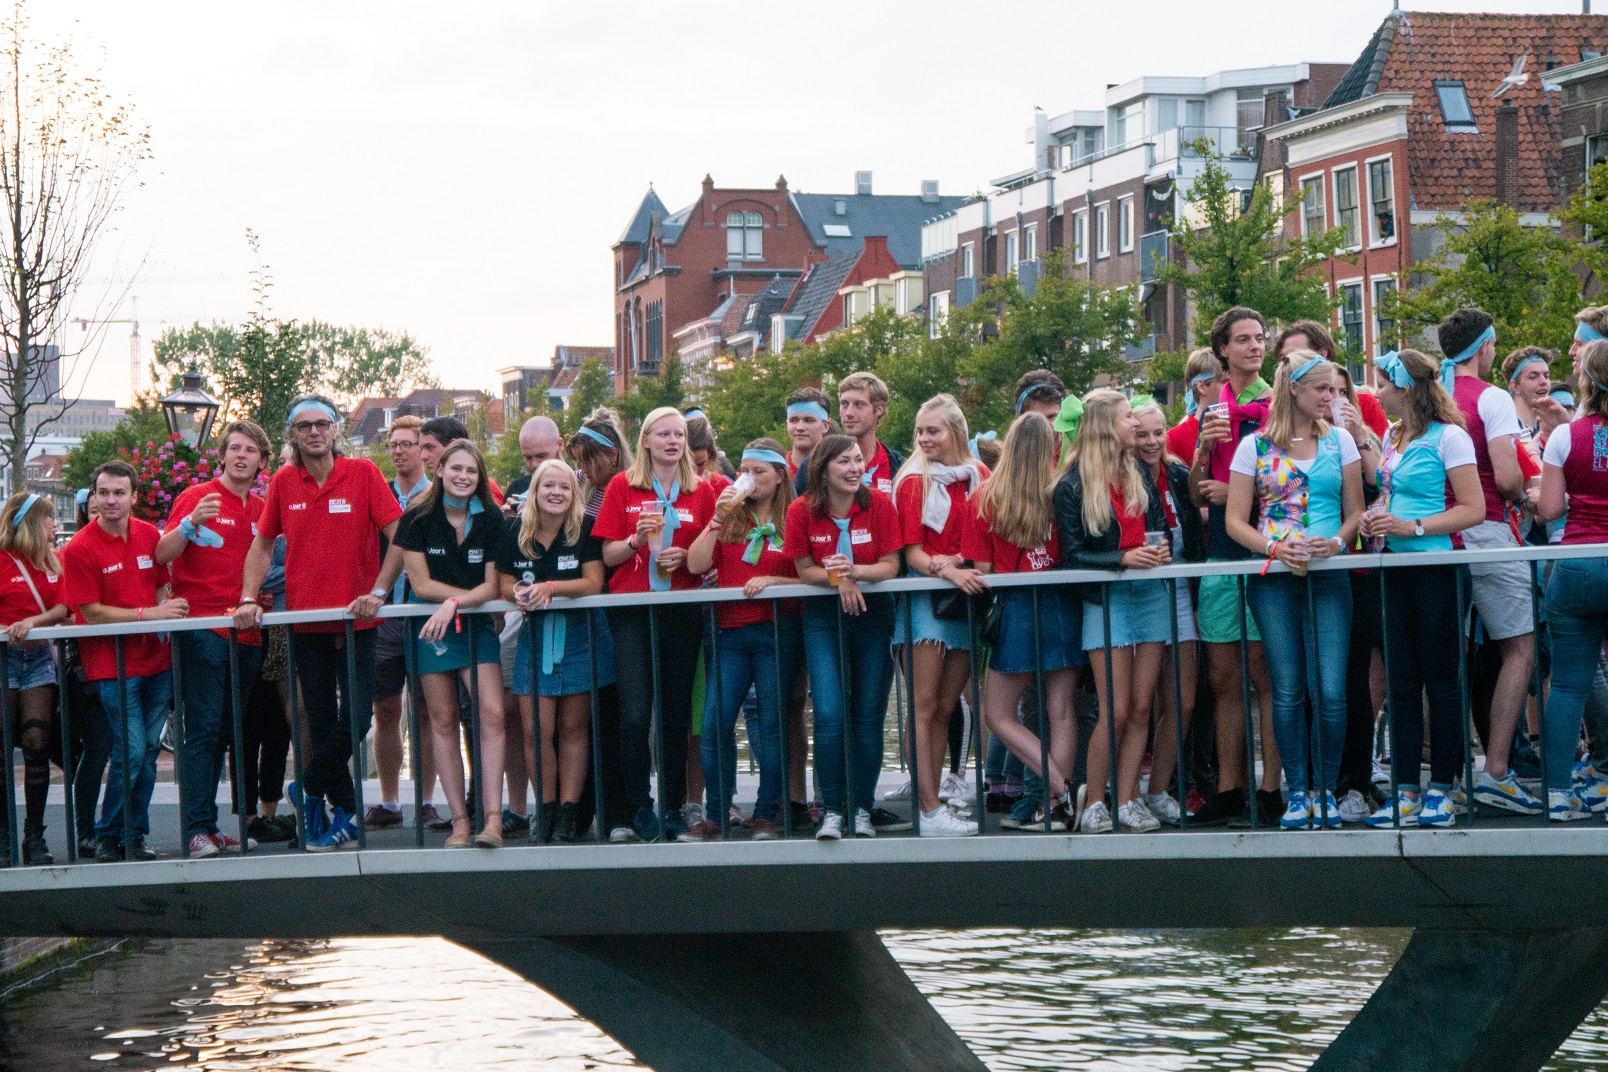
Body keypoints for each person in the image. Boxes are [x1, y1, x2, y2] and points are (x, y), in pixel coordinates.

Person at [235, 394, 404, 852]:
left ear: (335, 429)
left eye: (322, 423)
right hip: (306, 622)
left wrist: (379, 592)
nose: (314, 431)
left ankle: (307, 788)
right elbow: (262, 545)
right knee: (323, 722)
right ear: (292, 434)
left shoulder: (363, 473)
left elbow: (400, 536)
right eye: (304, 425)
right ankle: (346, 813)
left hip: (356, 621)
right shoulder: (284, 481)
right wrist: (248, 597)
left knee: (358, 718)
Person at [1225, 353, 1365, 830]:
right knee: (1286, 689)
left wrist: (1339, 542)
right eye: (1322, 389)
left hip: (1329, 573)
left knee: (1331, 690)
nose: (1331, 398)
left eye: (1334, 390)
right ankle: (1299, 792)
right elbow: (1235, 521)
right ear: (1295, 390)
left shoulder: (1341, 440)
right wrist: (1273, 548)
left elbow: (1355, 510)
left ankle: (1325, 790)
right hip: (1274, 578)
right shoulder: (1254, 445)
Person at [1359, 349, 1485, 827]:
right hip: (1394, 568)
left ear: (1406, 388)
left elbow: (1473, 508)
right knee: (1403, 682)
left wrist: (1411, 526)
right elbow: (1389, 493)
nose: (1376, 393)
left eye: (1382, 385)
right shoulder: (1393, 435)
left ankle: (1444, 788)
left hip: (1437, 569)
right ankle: (1407, 789)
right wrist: (1376, 516)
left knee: (1442, 681)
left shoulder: (1450, 436)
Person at [593, 406, 720, 842]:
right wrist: (634, 540)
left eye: (679, 435)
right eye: (663, 434)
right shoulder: (622, 486)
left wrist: (687, 557)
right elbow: (607, 555)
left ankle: (670, 807)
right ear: (645, 440)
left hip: (681, 609)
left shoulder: (701, 490)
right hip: (632, 610)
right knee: (634, 715)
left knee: (674, 715)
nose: (672, 441)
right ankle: (638, 807)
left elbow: (710, 556)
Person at [1435, 310, 1541, 815]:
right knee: (1520, 647)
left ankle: (1446, 778)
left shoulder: (1430, 392)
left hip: (1437, 537)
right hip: (1486, 530)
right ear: (1486, 346)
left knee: (1444, 659)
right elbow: (1505, 476)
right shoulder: (1492, 397)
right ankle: (1496, 770)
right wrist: (1525, 495)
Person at [1056, 390, 1172, 834]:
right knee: (1116, 710)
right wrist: (1122, 558)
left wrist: (1160, 551)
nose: (1136, 424)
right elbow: (1071, 556)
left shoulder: (1138, 471)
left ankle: (1127, 799)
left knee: (1142, 708)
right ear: (1106, 425)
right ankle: (1094, 801)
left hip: (1150, 592)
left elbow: (1159, 528)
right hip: (1107, 599)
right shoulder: (1071, 485)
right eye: (1128, 417)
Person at [154, 419, 272, 858]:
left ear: (261, 462)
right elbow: (160, 555)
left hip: (247, 633)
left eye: (250, 450)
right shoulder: (196, 497)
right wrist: (189, 524)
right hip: (202, 629)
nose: (241, 456)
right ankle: (195, 831)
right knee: (202, 731)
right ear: (221, 455)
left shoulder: (262, 507)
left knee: (224, 732)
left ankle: (210, 826)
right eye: (235, 448)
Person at [61, 460, 184, 862]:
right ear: (94, 498)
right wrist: (149, 614)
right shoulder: (79, 547)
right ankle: (109, 834)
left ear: (133, 497)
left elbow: (162, 584)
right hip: (112, 666)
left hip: (157, 661)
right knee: (131, 751)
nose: (111, 500)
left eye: (119, 492)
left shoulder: (149, 534)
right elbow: (90, 612)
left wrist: (166, 608)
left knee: (146, 753)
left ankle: (131, 833)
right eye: (104, 492)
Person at [964, 412, 1082, 830]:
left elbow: (982, 567)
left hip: (1016, 607)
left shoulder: (986, 498)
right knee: (1061, 711)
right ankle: (1056, 803)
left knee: (998, 714)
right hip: (1062, 603)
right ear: (1052, 447)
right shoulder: (1063, 491)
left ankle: (1059, 793)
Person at [1187, 307, 1282, 826]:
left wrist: (1236, 492)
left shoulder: (1279, 402)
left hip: (1265, 548)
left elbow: (1296, 479)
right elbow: (1193, 494)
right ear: (1222, 349)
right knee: (1223, 679)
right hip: (1221, 553)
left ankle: (1270, 790)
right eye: (1243, 339)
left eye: (1259, 337)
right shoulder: (1213, 406)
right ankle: (1229, 789)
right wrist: (1203, 450)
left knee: (1266, 675)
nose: (1255, 346)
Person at [786, 434, 902, 840]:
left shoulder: (880, 504)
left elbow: (890, 565)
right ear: (823, 469)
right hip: (822, 618)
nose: (855, 469)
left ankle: (862, 808)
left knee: (868, 715)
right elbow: (804, 570)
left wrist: (854, 572)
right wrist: (839, 579)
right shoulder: (801, 509)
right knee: (830, 713)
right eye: (845, 462)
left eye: (857, 461)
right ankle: (832, 810)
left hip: (873, 616)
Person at [685, 438, 802, 840]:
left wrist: (773, 580)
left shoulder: (795, 516)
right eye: (744, 471)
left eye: (758, 471)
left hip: (777, 631)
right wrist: (717, 518)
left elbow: (813, 575)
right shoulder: (732, 516)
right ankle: (717, 815)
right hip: (729, 633)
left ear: (779, 476)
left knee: (771, 725)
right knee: (714, 723)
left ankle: (767, 814)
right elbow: (696, 564)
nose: (748, 478)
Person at [394, 439, 508, 849]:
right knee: (442, 721)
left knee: (492, 714)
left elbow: (493, 585)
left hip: (474, 624)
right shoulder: (416, 518)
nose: (463, 476)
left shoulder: (492, 518)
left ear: (480, 477)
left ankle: (492, 820)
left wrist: (455, 604)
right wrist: (452, 603)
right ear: (440, 469)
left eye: (471, 470)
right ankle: (460, 822)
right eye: (456, 468)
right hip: (432, 628)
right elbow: (420, 584)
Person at [498, 458, 612, 843]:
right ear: (535, 490)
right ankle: (544, 809)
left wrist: (550, 588)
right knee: (535, 731)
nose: (556, 492)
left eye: (564, 486)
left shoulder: (585, 528)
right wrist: (517, 592)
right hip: (533, 638)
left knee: (573, 728)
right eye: (548, 485)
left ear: (574, 493)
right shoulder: (513, 528)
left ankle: (567, 813)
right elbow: (504, 582)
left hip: (580, 636)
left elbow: (593, 582)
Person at [891, 394, 986, 837]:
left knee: (949, 706)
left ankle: (937, 802)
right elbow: (911, 552)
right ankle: (928, 809)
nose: (924, 439)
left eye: (934, 430)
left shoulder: (980, 474)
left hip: (966, 597)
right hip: (926, 597)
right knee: (924, 706)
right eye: (920, 431)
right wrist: (947, 569)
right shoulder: (913, 481)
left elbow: (984, 536)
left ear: (957, 432)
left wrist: (966, 563)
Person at [1534, 331, 1608, 820]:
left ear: (1588, 383)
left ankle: (1558, 794)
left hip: (1578, 562)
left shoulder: (1565, 435)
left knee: (1566, 686)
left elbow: (1549, 510)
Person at [1131, 398, 1205, 825]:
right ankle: (1126, 793)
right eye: (1141, 434)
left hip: (1179, 589)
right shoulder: (1122, 476)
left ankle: (1158, 790)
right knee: (1138, 704)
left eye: (1158, 432)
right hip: (1140, 592)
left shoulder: (1177, 473)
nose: (1152, 441)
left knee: (1182, 700)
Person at [0, 492, 69, 865]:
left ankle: (34, 836)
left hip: (38, 656)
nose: (54, 524)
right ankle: (3, 835)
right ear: (31, 524)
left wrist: (31, 622)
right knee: (2, 747)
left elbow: (63, 606)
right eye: (49, 518)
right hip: (4, 657)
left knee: (36, 740)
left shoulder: (51, 561)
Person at [837, 371, 906, 497]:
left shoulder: (899, 466)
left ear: (879, 409)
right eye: (844, 404)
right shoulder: (823, 463)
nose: (848, 413)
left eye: (858, 405)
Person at [567, 407, 633, 518]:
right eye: (580, 462)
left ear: (613, 454)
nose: (583, 470)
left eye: (589, 462)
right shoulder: (575, 481)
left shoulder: (634, 489)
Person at [1166, 347, 1222, 462]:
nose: (1231, 386)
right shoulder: (1174, 439)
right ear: (1201, 386)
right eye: (1224, 382)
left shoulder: (1238, 425)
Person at [502, 415, 564, 507]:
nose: (534, 464)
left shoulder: (581, 484)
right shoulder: (517, 489)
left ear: (560, 445)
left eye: (541, 456)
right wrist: (512, 515)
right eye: (528, 458)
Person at [785, 386, 833, 484]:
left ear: (825, 426)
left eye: (809, 420)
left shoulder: (836, 472)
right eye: (794, 420)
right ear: (787, 425)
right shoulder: (778, 473)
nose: (800, 427)